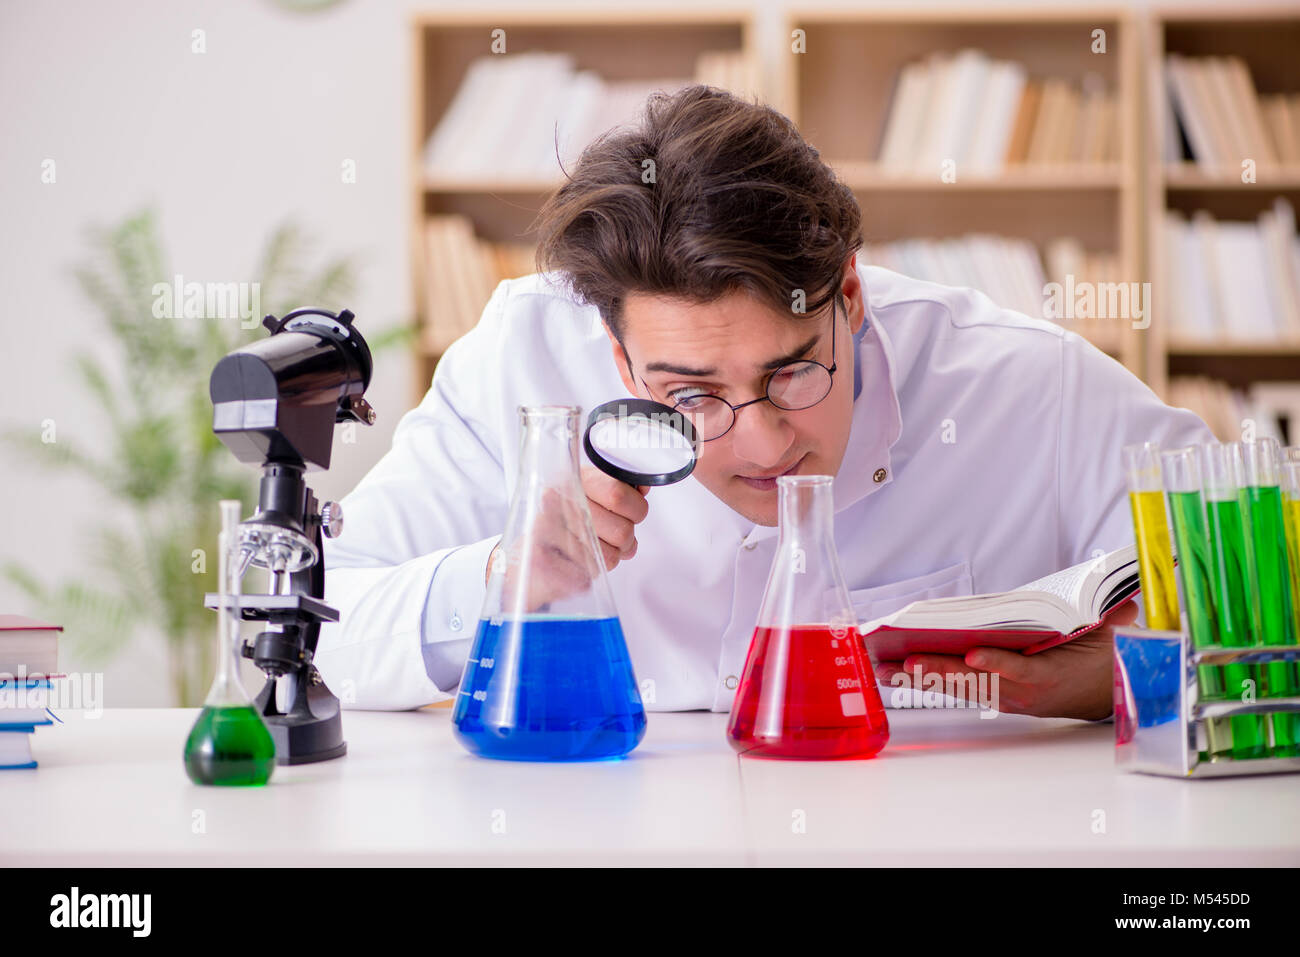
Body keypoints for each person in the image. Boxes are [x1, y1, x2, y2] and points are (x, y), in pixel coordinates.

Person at [315, 85, 1213, 720]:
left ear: (849, 298)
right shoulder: (522, 362)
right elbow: (316, 627)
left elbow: (1263, 592)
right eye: (691, 395)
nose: (762, 441)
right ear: (620, 361)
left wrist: (1123, 677)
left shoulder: (1027, 387)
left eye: (792, 372)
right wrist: (499, 576)